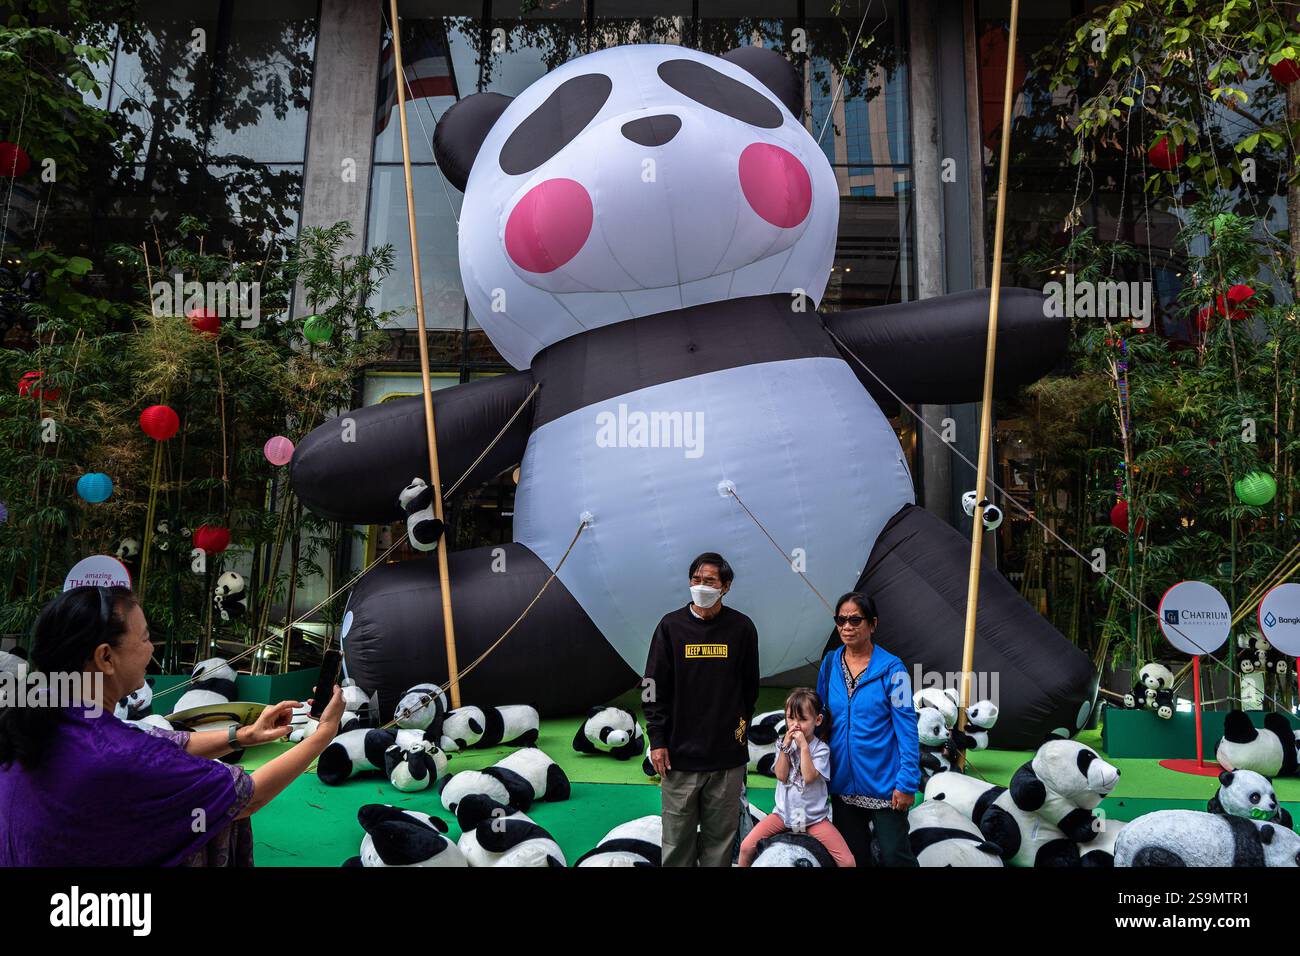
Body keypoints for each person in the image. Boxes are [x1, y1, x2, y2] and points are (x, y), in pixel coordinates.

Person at [0, 586, 346, 866]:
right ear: (106, 658)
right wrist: (322, 736)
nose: (151, 649)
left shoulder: (40, 713)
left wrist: (243, 735)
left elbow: (154, 741)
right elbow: (246, 796)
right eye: (146, 637)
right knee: (215, 819)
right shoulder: (117, 755)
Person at [644, 552, 759, 867]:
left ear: (726, 586)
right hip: (679, 758)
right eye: (696, 580)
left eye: (709, 581)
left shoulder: (742, 628)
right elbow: (652, 687)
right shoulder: (670, 627)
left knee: (719, 843)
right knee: (677, 841)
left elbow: (750, 687)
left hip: (726, 761)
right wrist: (658, 740)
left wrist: (737, 729)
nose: (701, 586)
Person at [816, 592, 920, 867]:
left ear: (872, 624)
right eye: (841, 620)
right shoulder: (829, 664)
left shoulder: (893, 670)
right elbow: (820, 718)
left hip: (886, 785)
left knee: (895, 855)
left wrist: (908, 781)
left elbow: (907, 727)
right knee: (852, 857)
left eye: (855, 620)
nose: (847, 627)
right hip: (842, 784)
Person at [738, 687, 855, 866]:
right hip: (783, 816)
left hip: (813, 820)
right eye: (791, 718)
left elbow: (809, 777)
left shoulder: (821, 749)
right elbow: (781, 775)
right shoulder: (783, 744)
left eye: (802, 719)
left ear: (818, 720)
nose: (795, 725)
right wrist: (785, 747)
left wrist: (804, 748)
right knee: (746, 847)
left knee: (848, 862)